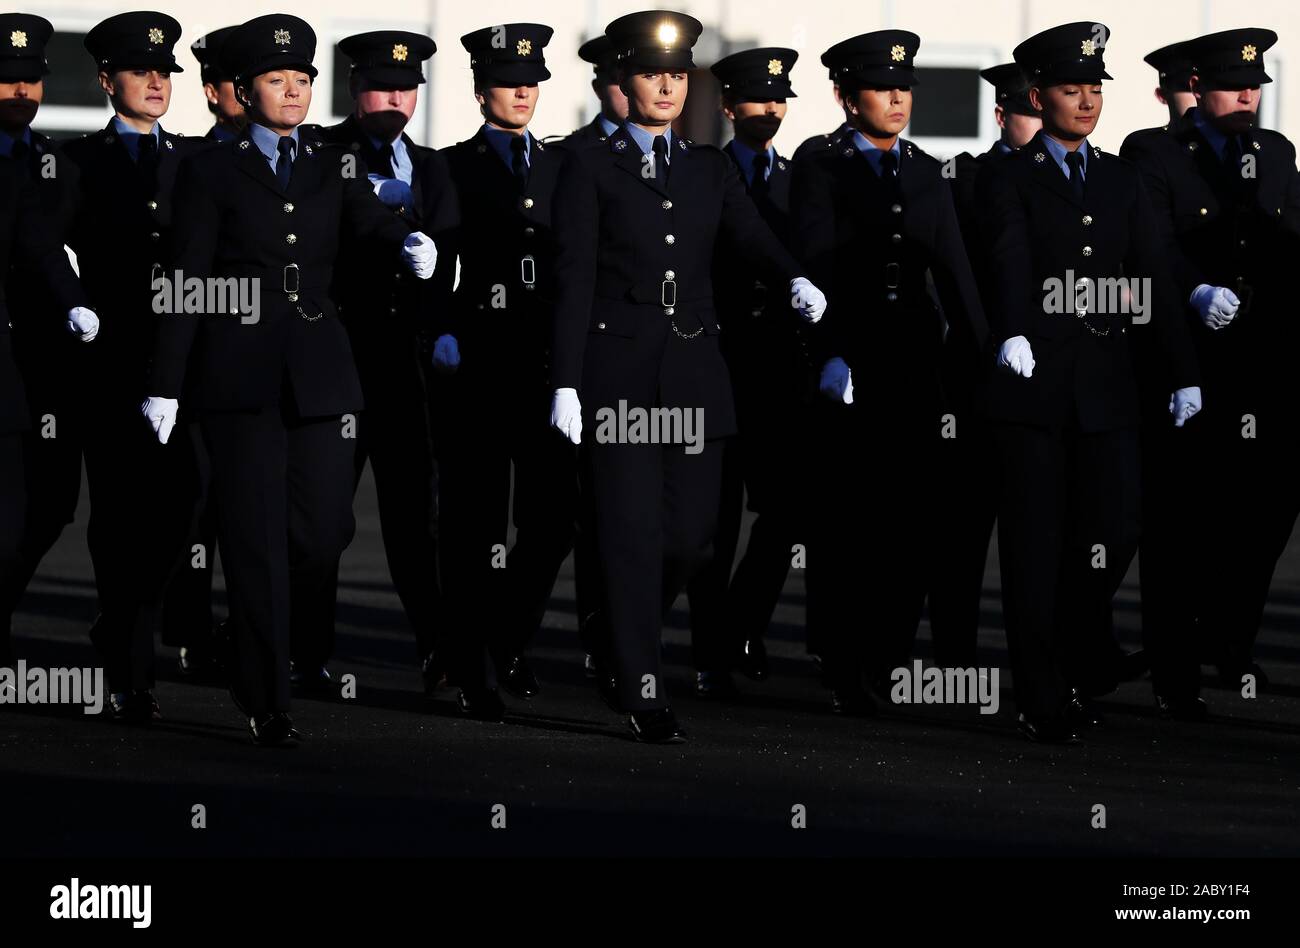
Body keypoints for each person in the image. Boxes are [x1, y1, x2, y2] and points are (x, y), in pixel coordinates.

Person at [140, 13, 440, 746]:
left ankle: (265, 653)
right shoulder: (211, 169)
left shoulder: (331, 162)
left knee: (321, 532)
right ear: (246, 89)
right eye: (278, 80)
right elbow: (185, 279)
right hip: (235, 380)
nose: (294, 91)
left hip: (319, 374)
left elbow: (368, 220)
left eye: (302, 79)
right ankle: (264, 694)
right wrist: (165, 384)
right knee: (252, 543)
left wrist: (409, 240)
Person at [549, 10, 826, 743]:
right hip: (617, 373)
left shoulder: (707, 167)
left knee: (693, 543)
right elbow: (573, 277)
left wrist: (795, 278)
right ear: (624, 82)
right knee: (634, 536)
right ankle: (642, 688)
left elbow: (752, 235)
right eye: (652, 75)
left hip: (694, 374)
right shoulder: (588, 164)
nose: (667, 87)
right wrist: (566, 381)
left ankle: (614, 620)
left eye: (677, 75)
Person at [974, 21, 1201, 743]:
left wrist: (1183, 371)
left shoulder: (1119, 177)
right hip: (1034, 380)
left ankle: (1074, 657)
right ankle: (1043, 696)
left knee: (1115, 524)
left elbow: (1154, 277)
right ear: (1038, 96)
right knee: (1035, 544)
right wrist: (1010, 327)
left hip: (1108, 381)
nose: (1087, 101)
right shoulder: (1006, 175)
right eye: (1071, 90)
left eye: (1094, 89)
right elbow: (1007, 255)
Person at [790, 30, 988, 715]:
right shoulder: (821, 164)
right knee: (850, 521)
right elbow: (816, 265)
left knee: (911, 521)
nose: (898, 99)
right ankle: (845, 660)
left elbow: (956, 273)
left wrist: (986, 349)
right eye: (882, 88)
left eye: (905, 88)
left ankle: (888, 658)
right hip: (851, 358)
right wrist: (830, 352)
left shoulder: (926, 170)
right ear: (846, 97)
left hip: (912, 360)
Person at [1120, 28, 1300, 712]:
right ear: (1197, 88)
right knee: (1181, 520)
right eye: (1234, 85)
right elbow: (1149, 243)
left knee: (1268, 510)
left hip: (1268, 359)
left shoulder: (1275, 153)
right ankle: (1176, 670)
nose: (1248, 95)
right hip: (1190, 355)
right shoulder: (1157, 152)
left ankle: (1228, 637)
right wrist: (1194, 289)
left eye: (1255, 85)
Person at [61, 11, 209, 723]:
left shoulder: (196, 162)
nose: (156, 82)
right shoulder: (79, 162)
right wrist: (71, 304)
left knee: (184, 503)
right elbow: (38, 246)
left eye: (164, 72)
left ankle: (122, 624)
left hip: (184, 369)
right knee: (120, 516)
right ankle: (129, 670)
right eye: (140, 70)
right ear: (104, 79)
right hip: (111, 365)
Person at [437, 22, 577, 719]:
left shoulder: (561, 166)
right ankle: (470, 667)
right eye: (507, 80)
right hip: (480, 363)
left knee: (552, 523)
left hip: (547, 365)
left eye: (532, 80)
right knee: (477, 525)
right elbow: (432, 263)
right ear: (480, 89)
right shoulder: (451, 167)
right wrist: (441, 332)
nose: (522, 91)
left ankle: (506, 636)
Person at [317, 30, 457, 696]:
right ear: (354, 89)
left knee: (415, 519)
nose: (395, 98)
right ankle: (299, 649)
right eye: (382, 86)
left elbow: (456, 252)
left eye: (406, 88)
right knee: (323, 519)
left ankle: (437, 646)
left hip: (408, 371)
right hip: (339, 359)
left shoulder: (431, 167)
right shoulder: (322, 151)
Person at [687, 46, 814, 697]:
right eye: (757, 100)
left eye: (778, 98)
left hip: (780, 370)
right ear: (731, 108)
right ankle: (711, 647)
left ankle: (741, 622)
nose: (769, 109)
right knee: (716, 518)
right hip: (720, 359)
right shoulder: (705, 174)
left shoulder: (800, 181)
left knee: (788, 511)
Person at [930, 63, 1040, 671]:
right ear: (1001, 116)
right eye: (1028, 110)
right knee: (964, 526)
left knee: (1044, 532)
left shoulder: (1074, 179)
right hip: (975, 374)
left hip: (1047, 380)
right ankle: (953, 658)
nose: (1041, 120)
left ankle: (1053, 664)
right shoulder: (969, 179)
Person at [0, 13, 101, 668]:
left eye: (31, 80)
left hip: (41, 361)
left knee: (53, 504)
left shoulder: (51, 164)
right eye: (6, 80)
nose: (21, 92)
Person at [559, 35, 628, 145]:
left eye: (648, 77)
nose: (630, 90)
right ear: (598, 88)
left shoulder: (661, 148)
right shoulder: (570, 153)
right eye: (619, 81)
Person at [191, 26, 246, 143]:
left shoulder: (283, 152)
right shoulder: (197, 157)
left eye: (252, 79)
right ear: (212, 93)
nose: (247, 88)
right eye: (236, 81)